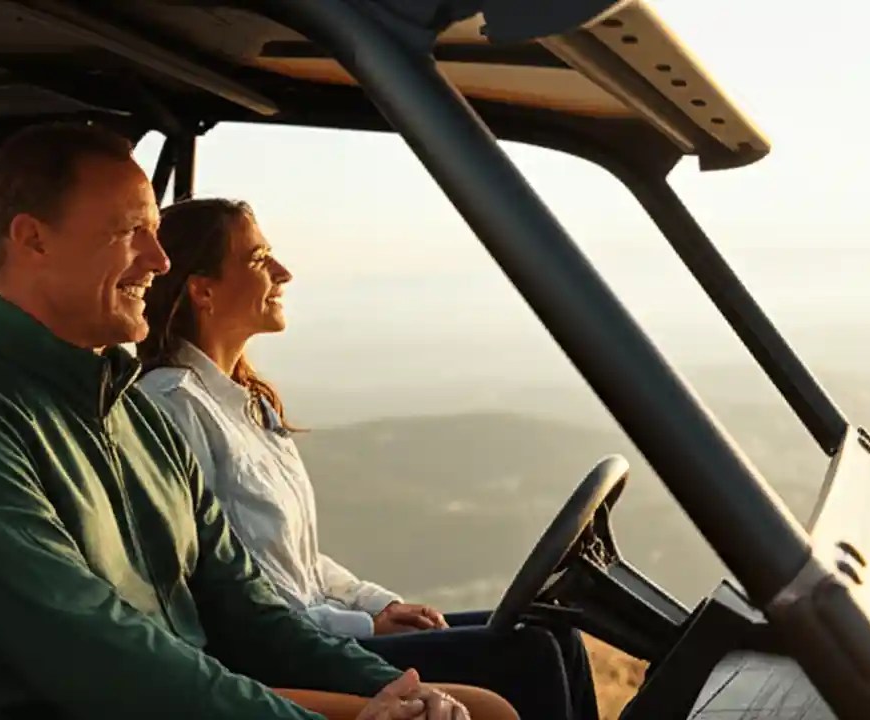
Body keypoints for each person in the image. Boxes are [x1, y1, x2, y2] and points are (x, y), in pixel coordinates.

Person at [0, 122, 518, 720]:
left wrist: (391, 690)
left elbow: (250, 609)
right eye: (131, 232)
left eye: (156, 232)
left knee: (478, 712)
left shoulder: (133, 417)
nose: (159, 259)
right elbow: (102, 658)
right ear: (34, 238)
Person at [134, 197, 600, 720]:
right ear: (203, 289)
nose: (284, 272)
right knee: (527, 655)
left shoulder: (246, 402)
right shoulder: (175, 407)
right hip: (282, 656)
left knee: (553, 630)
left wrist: (378, 605)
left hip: (320, 633)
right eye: (260, 259)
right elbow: (230, 593)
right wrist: (362, 628)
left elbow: (300, 564)